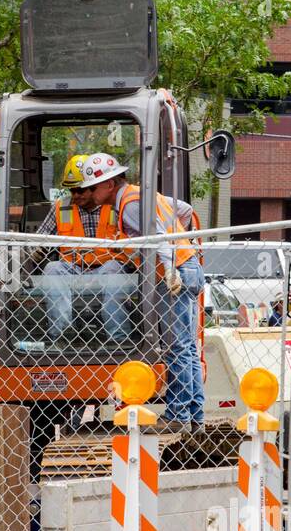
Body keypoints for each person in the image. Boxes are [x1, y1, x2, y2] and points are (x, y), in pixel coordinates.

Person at [79, 152, 205, 428]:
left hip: (176, 273)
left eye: (92, 187)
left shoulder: (131, 204)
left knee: (177, 348)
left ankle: (179, 415)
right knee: (186, 347)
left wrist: (170, 269)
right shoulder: (141, 195)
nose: (89, 193)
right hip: (188, 266)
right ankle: (194, 415)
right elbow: (184, 211)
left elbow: (157, 236)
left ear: (109, 184)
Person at [31, 155, 134, 347]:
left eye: (80, 190)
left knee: (113, 269)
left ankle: (118, 338)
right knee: (52, 268)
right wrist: (37, 249)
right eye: (72, 190)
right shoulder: (61, 207)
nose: (76, 195)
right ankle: (61, 335)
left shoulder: (115, 205)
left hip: (107, 268)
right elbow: (40, 239)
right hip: (73, 269)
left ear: (93, 185)